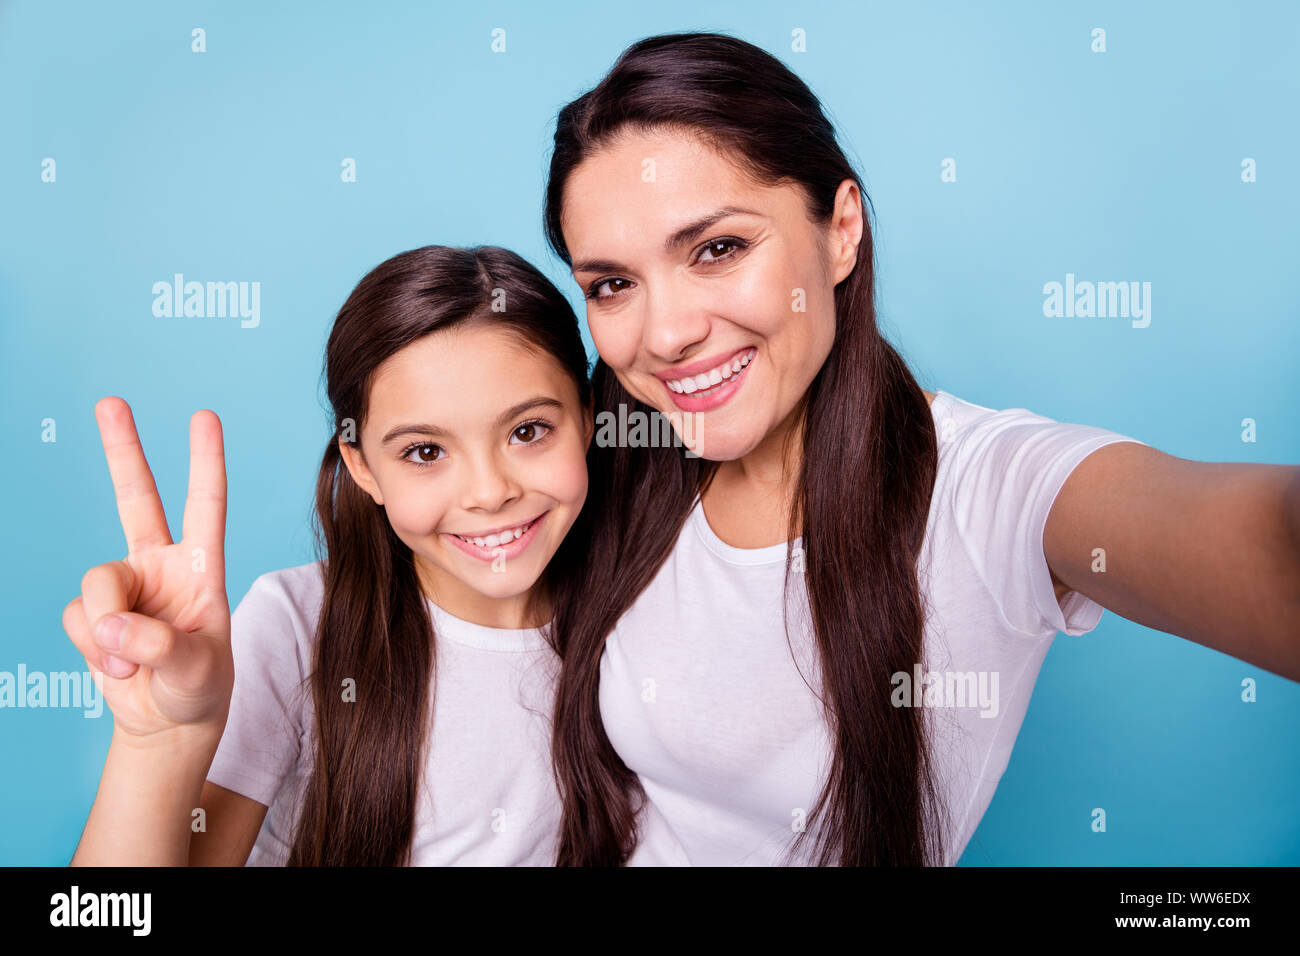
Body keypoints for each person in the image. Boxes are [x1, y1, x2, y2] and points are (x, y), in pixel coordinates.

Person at [542, 32, 1300, 866]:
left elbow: (1264, 541)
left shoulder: (985, 490)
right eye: (612, 285)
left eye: (718, 249)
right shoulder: (608, 459)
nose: (667, 334)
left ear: (841, 230)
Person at [63, 245, 594, 865]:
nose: (488, 492)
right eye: (425, 452)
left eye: (527, 430)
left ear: (587, 420)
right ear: (363, 468)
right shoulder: (295, 625)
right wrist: (157, 745)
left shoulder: (637, 614)